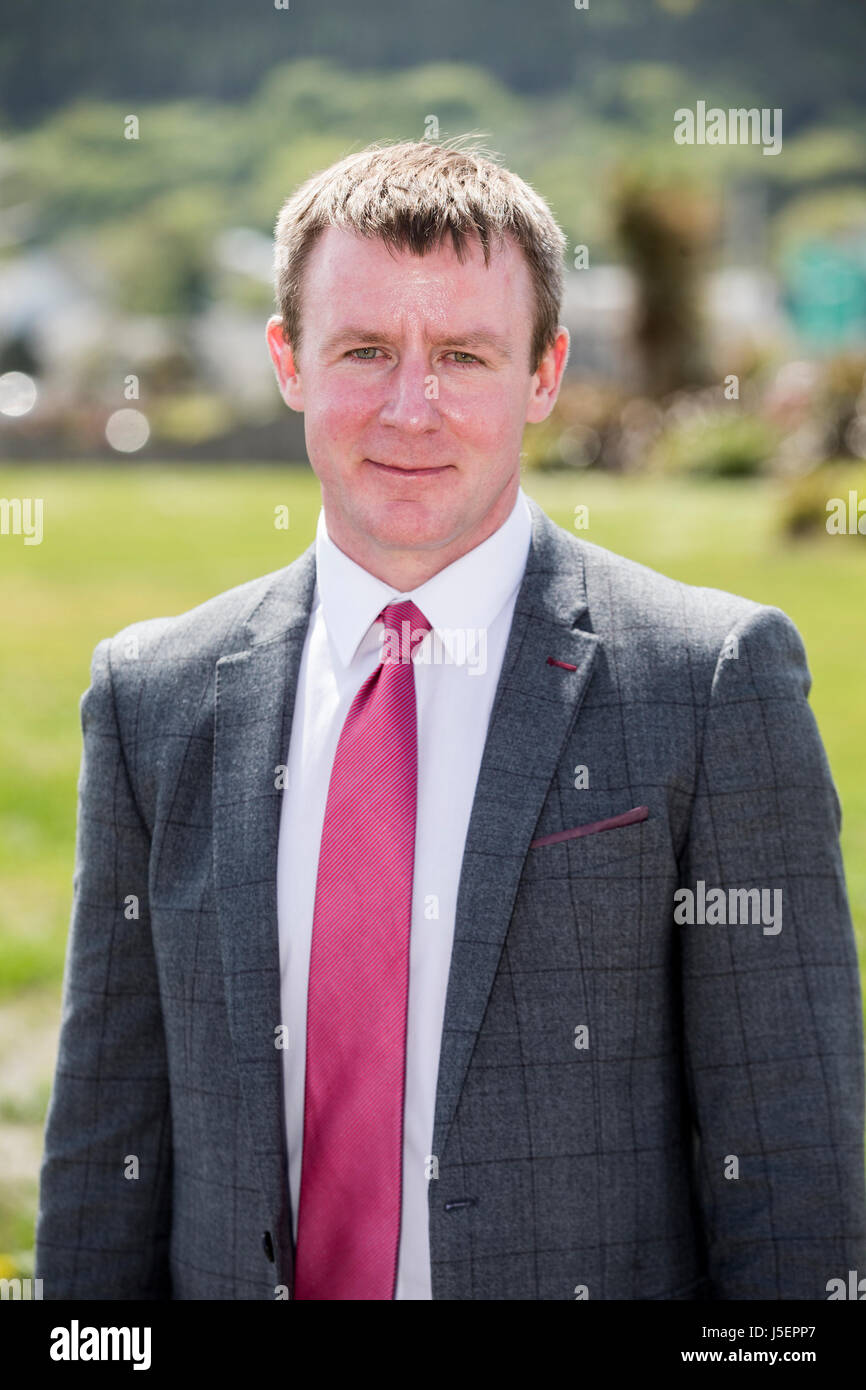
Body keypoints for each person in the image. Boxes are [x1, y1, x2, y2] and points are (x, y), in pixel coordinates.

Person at [35, 138, 866, 1300]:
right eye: (365, 349)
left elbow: (791, 1162)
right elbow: (100, 1164)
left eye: (463, 355)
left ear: (543, 372)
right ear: (287, 359)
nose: (409, 408)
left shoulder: (708, 680)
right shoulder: (153, 698)